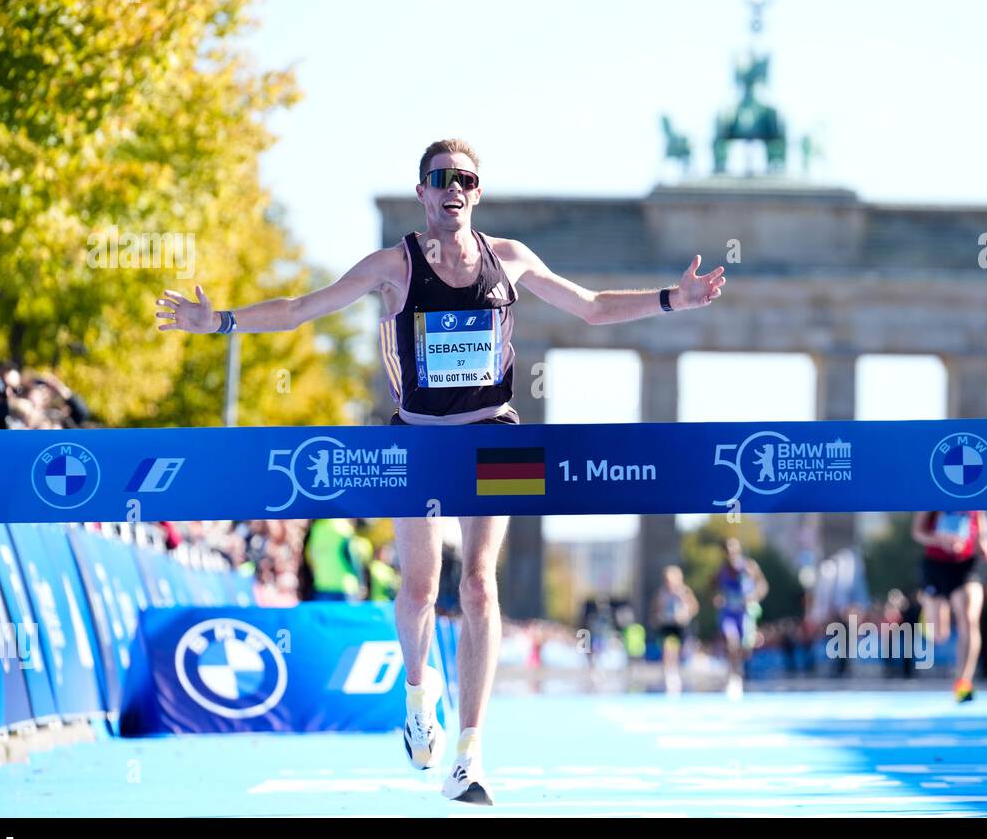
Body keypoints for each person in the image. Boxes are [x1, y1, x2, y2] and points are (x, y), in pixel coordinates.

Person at [154, 137, 726, 803]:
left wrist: (671, 301)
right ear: (422, 192)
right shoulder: (391, 268)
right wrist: (217, 320)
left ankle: (470, 753)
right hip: (418, 445)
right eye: (439, 178)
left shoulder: (507, 259)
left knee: (481, 585)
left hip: (494, 442)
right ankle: (419, 698)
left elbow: (593, 307)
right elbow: (299, 309)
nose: (453, 188)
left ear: (477, 193)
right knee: (421, 586)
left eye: (465, 178)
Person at [913, 510, 987, 703]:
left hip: (966, 565)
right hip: (936, 564)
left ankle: (963, 681)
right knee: (939, 634)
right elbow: (917, 532)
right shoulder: (933, 493)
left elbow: (980, 521)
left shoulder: (974, 494)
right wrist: (939, 540)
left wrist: (983, 541)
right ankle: (928, 606)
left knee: (969, 620)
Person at [713, 537, 767, 700]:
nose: (731, 555)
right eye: (728, 551)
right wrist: (715, 598)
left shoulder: (749, 567)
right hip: (728, 613)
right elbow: (711, 589)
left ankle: (740, 670)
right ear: (724, 553)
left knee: (744, 648)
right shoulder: (720, 571)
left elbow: (763, 585)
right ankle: (734, 678)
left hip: (745, 613)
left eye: (734, 551)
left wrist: (754, 595)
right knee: (731, 642)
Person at [652, 564, 699, 695]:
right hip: (667, 624)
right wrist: (657, 617)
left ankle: (677, 672)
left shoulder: (684, 591)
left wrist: (686, 614)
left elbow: (694, 607)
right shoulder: (661, 592)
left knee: (680, 650)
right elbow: (655, 607)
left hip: (680, 625)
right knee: (668, 649)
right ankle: (669, 674)